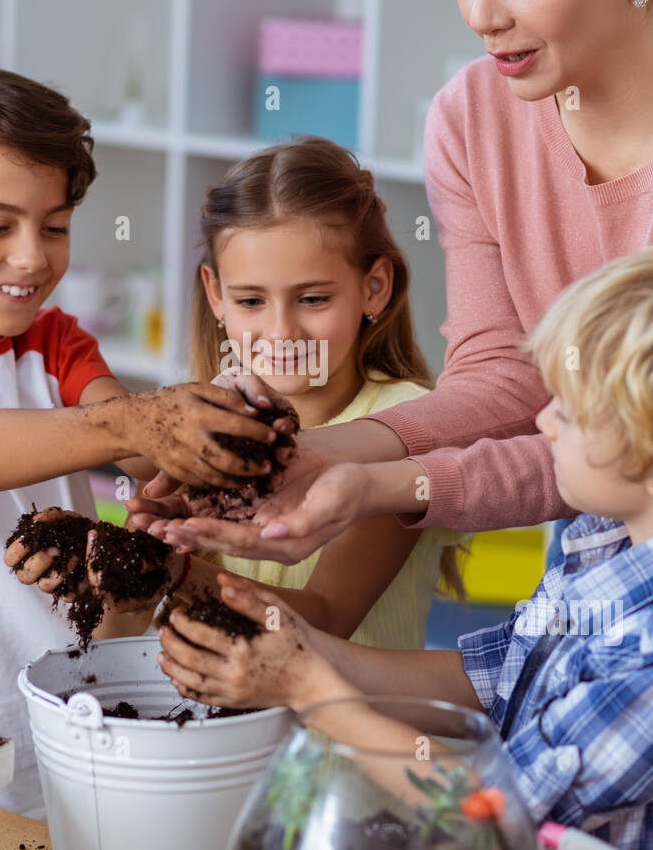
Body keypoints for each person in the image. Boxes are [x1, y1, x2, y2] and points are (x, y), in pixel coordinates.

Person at [143, 0, 653, 569]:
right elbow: (505, 381)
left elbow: (648, 444)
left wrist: (382, 484)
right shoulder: (473, 119)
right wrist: (308, 457)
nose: (481, 14)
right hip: (600, 564)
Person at [156, 246, 653, 850]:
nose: (542, 422)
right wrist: (303, 649)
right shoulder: (603, 539)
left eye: (572, 412)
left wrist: (313, 693)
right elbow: (492, 677)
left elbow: (494, 814)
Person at [0, 64, 286, 815]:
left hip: (57, 723)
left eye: (54, 226)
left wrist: (227, 422)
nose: (32, 257)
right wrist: (133, 421)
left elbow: (144, 451)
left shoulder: (54, 343)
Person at [32, 137, 470, 648]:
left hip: (346, 727)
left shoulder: (406, 424)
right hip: (214, 722)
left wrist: (172, 572)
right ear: (217, 295)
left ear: (373, 287)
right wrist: (113, 565)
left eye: (312, 298)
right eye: (251, 300)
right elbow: (125, 633)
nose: (281, 331)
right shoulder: (205, 420)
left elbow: (326, 619)